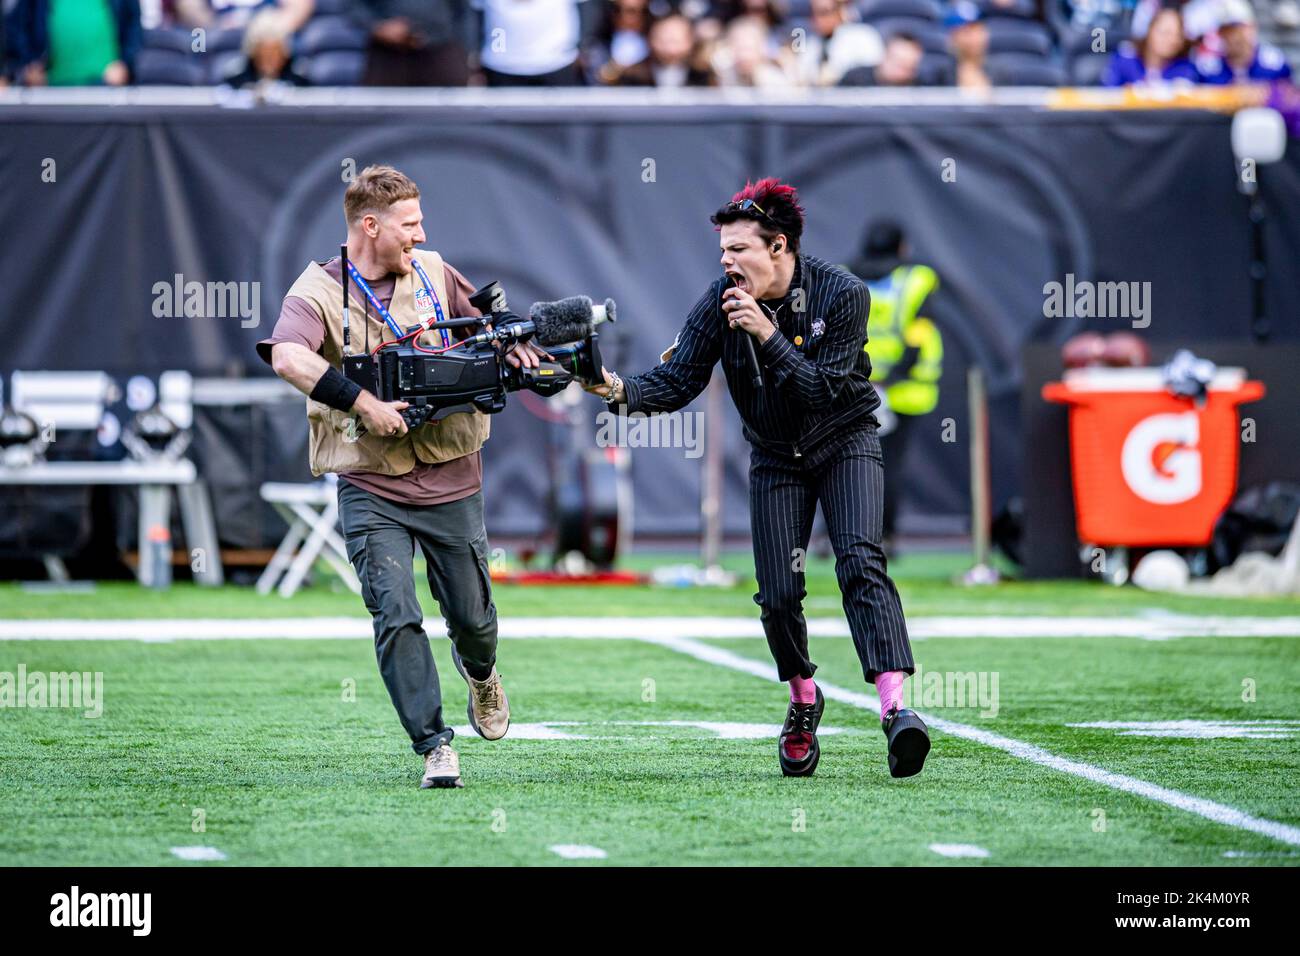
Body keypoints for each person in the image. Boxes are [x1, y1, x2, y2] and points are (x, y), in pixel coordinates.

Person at [584, 179, 931, 780]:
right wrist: (613, 389)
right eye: (722, 250)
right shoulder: (720, 300)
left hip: (844, 438)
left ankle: (896, 709)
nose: (726, 262)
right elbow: (676, 381)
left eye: (739, 249)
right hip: (775, 455)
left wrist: (766, 334)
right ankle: (803, 702)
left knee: (859, 560)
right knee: (776, 592)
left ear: (779, 247)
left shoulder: (842, 292)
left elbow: (823, 391)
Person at [258, 165, 547, 789]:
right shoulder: (316, 289)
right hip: (371, 481)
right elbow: (287, 355)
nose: (421, 233)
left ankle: (482, 672)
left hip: (450, 471)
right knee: (394, 611)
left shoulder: (437, 270)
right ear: (370, 226)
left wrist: (522, 352)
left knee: (472, 617)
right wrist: (364, 404)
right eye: (410, 224)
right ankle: (433, 744)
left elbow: (495, 331)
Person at [845, 221, 943, 550]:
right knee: (886, 466)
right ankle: (882, 536)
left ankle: (838, 535)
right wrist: (890, 379)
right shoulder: (917, 280)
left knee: (841, 463)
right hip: (903, 390)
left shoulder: (841, 275)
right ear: (902, 248)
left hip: (850, 388)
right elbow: (918, 335)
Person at [7, 0, 141, 86]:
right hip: (52, 90)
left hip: (105, 87)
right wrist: (29, 65)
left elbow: (134, 25)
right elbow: (16, 28)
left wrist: (125, 64)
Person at [1101, 5, 1200, 86]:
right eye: (1165, 33)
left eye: (1178, 35)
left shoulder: (1185, 68)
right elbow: (1109, 93)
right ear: (1149, 31)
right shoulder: (1125, 60)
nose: (1172, 40)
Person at [1198, 0, 1292, 84]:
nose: (1232, 37)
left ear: (1252, 28)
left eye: (1237, 30)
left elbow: (1288, 98)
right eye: (1226, 31)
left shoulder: (1274, 62)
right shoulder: (1209, 67)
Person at [838, 31, 924, 86]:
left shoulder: (921, 87)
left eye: (908, 68)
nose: (900, 73)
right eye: (898, 63)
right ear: (884, 56)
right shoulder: (854, 80)